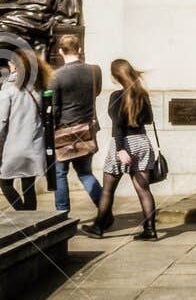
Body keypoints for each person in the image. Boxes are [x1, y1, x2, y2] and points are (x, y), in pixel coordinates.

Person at [81, 59, 161, 241]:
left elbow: (117, 126)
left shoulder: (116, 96)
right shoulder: (142, 94)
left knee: (108, 189)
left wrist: (121, 150)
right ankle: (150, 230)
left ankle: (99, 226)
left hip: (123, 143)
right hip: (142, 141)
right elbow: (148, 119)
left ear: (115, 77)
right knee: (144, 190)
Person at [0, 47, 50, 210]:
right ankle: (31, 222)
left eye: (12, 61)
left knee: (5, 184)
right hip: (34, 144)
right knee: (28, 187)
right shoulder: (39, 85)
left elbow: (1, 119)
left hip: (13, 146)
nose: (9, 64)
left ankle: (22, 216)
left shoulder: (9, 87)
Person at [49, 31, 103, 214]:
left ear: (61, 52)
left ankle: (62, 214)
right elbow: (96, 93)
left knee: (59, 173)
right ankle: (104, 207)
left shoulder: (55, 76)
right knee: (86, 173)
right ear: (79, 49)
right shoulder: (94, 71)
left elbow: (54, 108)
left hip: (63, 131)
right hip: (86, 130)